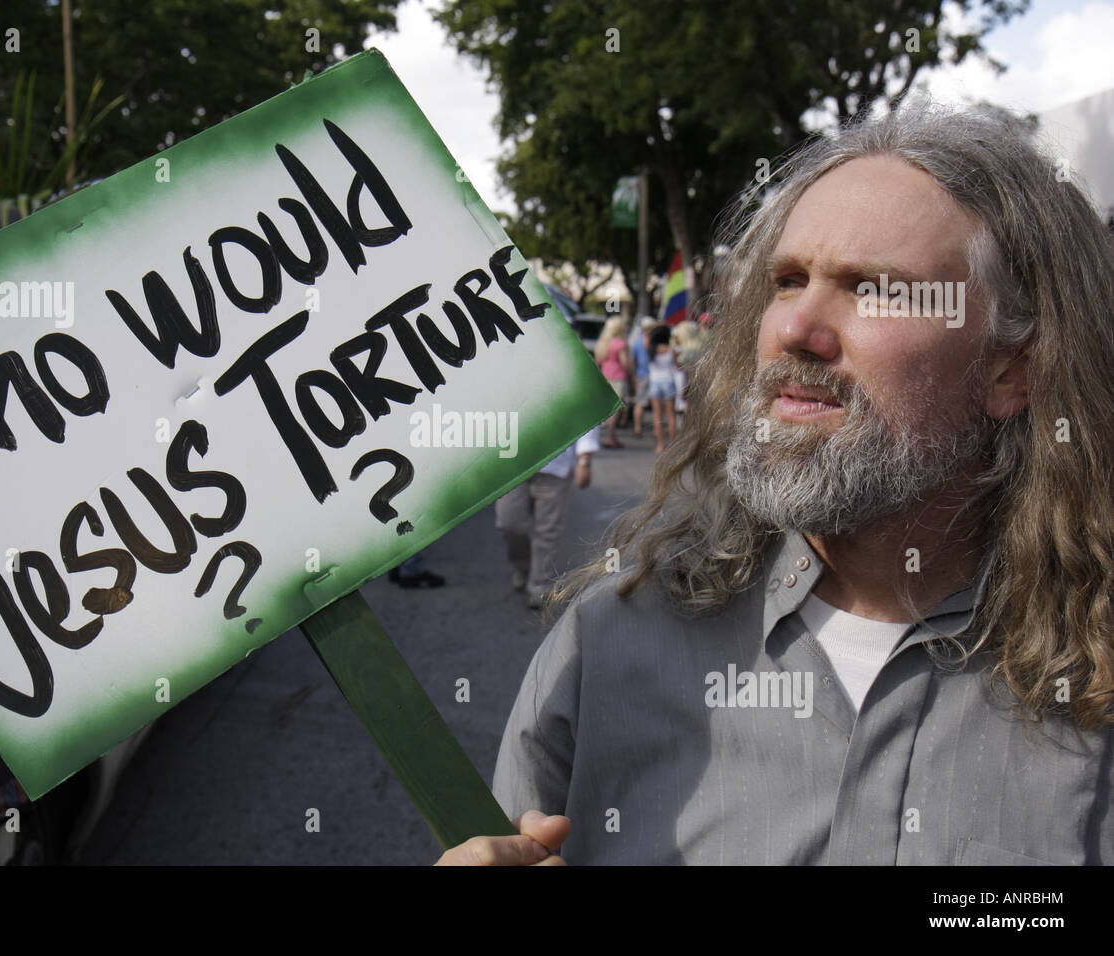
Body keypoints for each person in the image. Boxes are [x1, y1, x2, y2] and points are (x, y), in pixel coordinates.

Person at [437, 104, 1114, 865]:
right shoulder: (611, 641)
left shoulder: (1090, 682)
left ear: (1009, 369)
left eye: (875, 289)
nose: (796, 329)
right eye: (788, 280)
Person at [495, 428, 598, 609]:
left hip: (555, 464)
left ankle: (540, 586)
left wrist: (585, 460)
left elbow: (586, 406)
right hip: (511, 463)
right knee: (509, 522)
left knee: (548, 531)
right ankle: (522, 565)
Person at [593, 316, 632, 448]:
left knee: (609, 408)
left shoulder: (602, 343)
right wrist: (632, 372)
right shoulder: (620, 343)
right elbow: (625, 362)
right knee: (616, 409)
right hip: (618, 377)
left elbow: (598, 361)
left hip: (605, 376)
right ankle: (611, 436)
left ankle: (610, 436)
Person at [646, 323, 678, 452]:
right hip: (669, 381)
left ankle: (660, 444)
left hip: (655, 382)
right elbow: (677, 366)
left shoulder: (650, 350)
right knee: (671, 415)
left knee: (657, 416)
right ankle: (673, 444)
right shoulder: (671, 349)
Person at [629, 317, 656, 437]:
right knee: (656, 404)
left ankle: (637, 428)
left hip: (642, 374)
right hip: (655, 374)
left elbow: (632, 360)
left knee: (640, 403)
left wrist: (633, 376)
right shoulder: (654, 341)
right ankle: (655, 429)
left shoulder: (637, 342)